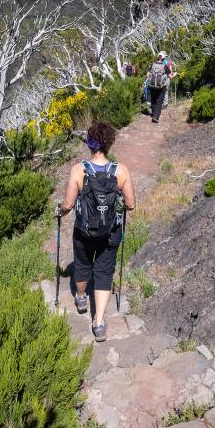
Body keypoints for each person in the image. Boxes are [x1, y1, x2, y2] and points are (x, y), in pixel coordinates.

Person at [55, 121, 136, 342]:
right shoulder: (121, 171)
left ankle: (81, 297)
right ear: (109, 143)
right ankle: (99, 323)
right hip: (110, 232)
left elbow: (69, 205)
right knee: (104, 271)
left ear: (90, 144)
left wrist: (59, 211)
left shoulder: (79, 170)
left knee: (82, 264)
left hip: (84, 230)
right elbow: (131, 204)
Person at [145, 51, 176, 123]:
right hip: (162, 86)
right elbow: (170, 77)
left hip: (152, 85)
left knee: (153, 100)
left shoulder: (152, 65)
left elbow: (147, 75)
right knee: (159, 102)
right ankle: (156, 117)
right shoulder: (165, 67)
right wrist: (175, 74)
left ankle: (153, 114)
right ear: (163, 58)